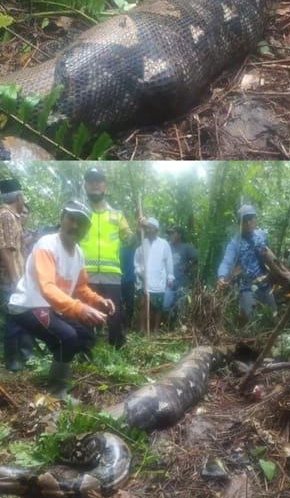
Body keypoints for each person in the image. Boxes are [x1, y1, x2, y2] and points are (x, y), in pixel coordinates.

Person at [8, 200, 115, 400]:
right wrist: (80, 309)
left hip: (50, 307)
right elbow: (47, 287)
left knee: (85, 335)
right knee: (67, 337)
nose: (75, 226)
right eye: (71, 219)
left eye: (81, 223)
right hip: (28, 304)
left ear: (86, 229)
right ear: (62, 219)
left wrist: (99, 301)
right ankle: (57, 393)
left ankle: (64, 363)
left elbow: (81, 287)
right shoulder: (47, 244)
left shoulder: (79, 254)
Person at [78, 168, 134, 348]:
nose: (95, 184)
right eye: (91, 180)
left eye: (99, 180)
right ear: (85, 186)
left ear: (106, 186)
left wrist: (141, 230)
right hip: (86, 273)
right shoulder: (80, 213)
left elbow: (130, 240)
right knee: (86, 312)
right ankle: (86, 350)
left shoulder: (117, 215)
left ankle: (118, 348)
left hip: (111, 273)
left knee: (114, 313)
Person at [217, 205, 279, 323]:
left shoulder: (262, 236)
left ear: (255, 219)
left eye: (251, 218)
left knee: (273, 318)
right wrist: (221, 276)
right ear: (239, 223)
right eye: (244, 220)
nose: (248, 223)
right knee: (252, 323)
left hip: (265, 284)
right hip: (247, 287)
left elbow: (271, 257)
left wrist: (273, 274)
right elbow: (226, 261)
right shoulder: (235, 243)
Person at [0, 178, 34, 371]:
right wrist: (14, 279)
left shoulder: (12, 217)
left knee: (21, 315)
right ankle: (12, 360)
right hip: (9, 279)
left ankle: (24, 354)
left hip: (17, 277)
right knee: (14, 317)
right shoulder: (6, 216)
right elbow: (5, 249)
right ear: (18, 197)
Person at [133, 217, 173, 333]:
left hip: (158, 280)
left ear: (156, 229)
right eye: (146, 228)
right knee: (143, 306)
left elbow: (168, 261)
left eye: (150, 228)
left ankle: (155, 329)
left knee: (157, 308)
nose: (147, 230)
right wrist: (139, 270)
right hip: (145, 280)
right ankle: (142, 329)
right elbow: (137, 260)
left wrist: (170, 276)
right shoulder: (142, 243)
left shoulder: (164, 244)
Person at [164, 226, 199, 321]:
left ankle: (179, 328)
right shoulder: (167, 247)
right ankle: (169, 328)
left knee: (181, 307)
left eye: (173, 233)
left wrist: (188, 267)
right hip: (169, 283)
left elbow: (198, 256)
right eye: (170, 233)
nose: (170, 235)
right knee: (166, 306)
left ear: (180, 235)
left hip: (182, 282)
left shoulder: (186, 247)